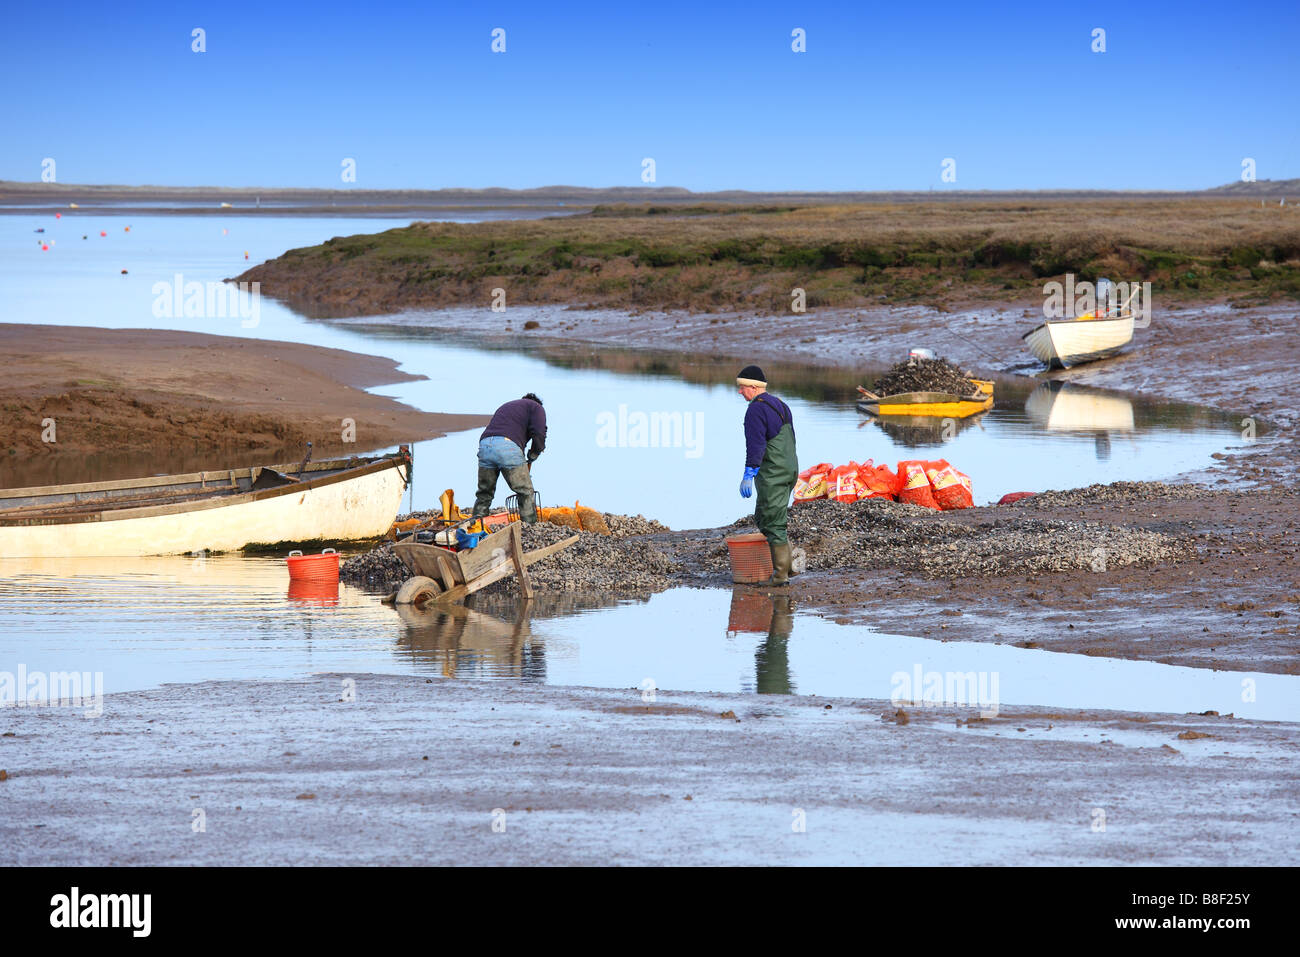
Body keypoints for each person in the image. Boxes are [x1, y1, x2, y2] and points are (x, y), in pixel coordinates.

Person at [736, 365, 798, 585]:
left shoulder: (755, 410)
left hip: (774, 473)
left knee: (772, 523)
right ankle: (789, 566)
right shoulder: (781, 405)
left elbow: (756, 445)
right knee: (766, 517)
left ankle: (780, 576)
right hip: (790, 469)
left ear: (754, 387)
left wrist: (749, 472)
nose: (740, 392)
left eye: (742, 388)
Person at [472, 393, 546, 524]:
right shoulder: (536, 407)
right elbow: (539, 433)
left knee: (484, 493)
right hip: (507, 446)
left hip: (485, 445)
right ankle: (529, 527)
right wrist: (534, 454)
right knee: (525, 492)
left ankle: (476, 524)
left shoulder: (508, 406)